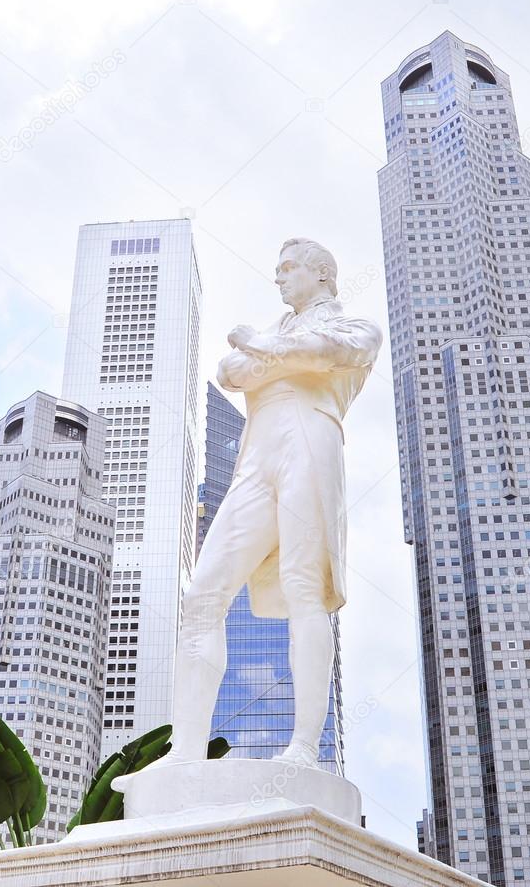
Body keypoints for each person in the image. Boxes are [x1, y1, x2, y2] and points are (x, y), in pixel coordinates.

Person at [164, 237, 381, 768]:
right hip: (255, 460)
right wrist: (269, 352)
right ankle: (184, 750)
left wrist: (263, 349)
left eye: (288, 268)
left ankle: (304, 747)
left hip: (310, 444)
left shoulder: (357, 328)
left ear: (323, 274)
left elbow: (330, 353)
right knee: (203, 595)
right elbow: (229, 373)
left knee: (306, 589)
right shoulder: (274, 337)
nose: (279, 278)